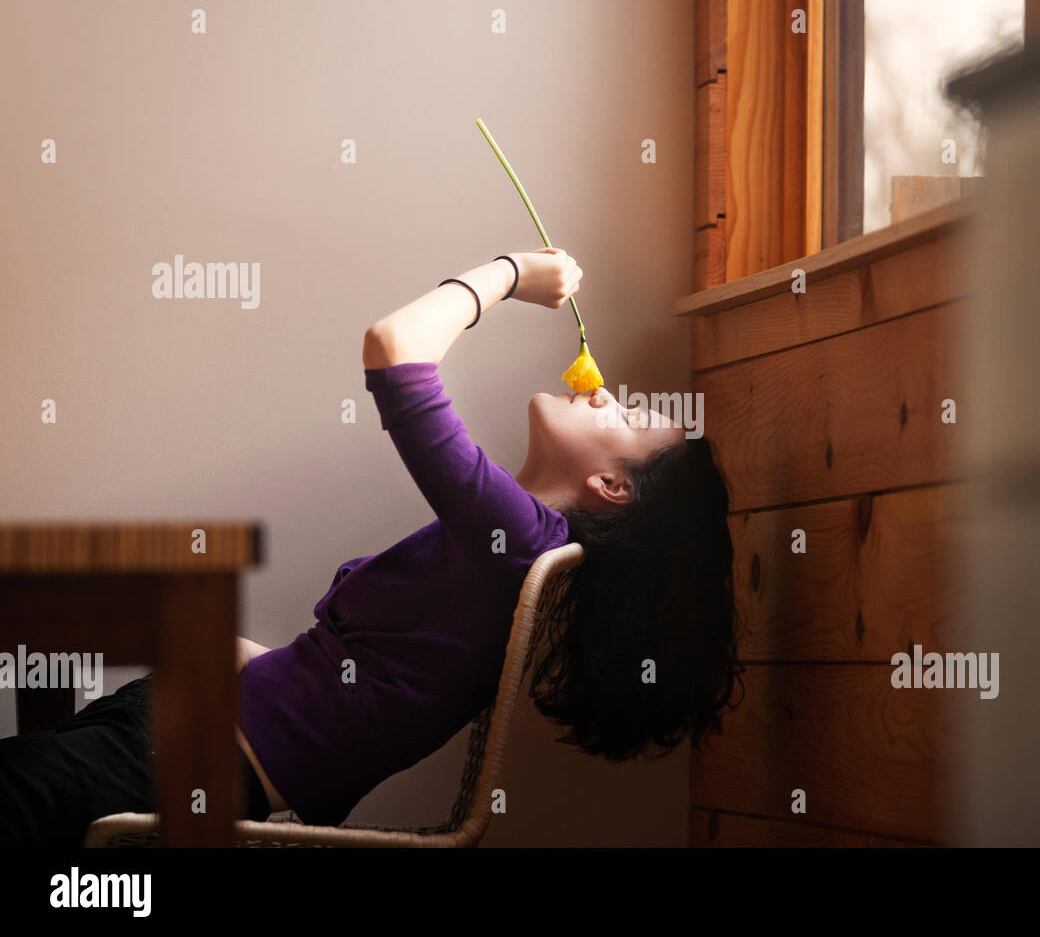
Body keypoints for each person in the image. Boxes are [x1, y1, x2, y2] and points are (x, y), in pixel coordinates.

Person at [0, 248, 745, 846]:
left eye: (630, 415)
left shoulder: (516, 538)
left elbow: (394, 353)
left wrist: (512, 274)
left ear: (614, 487)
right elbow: (368, 691)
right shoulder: (510, 545)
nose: (605, 392)